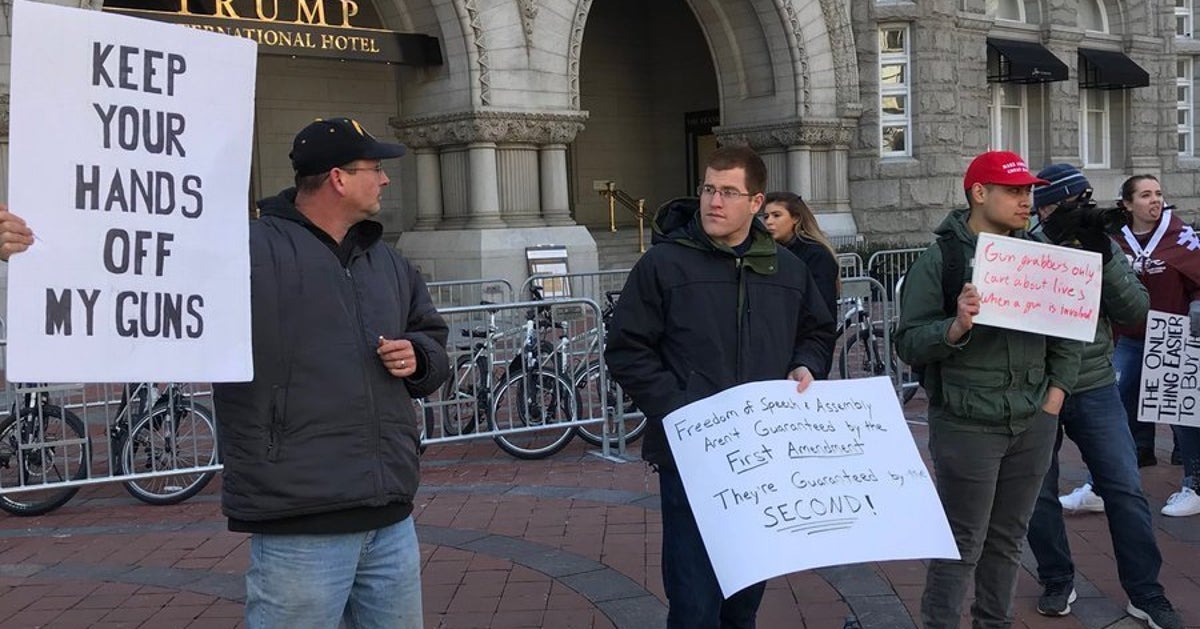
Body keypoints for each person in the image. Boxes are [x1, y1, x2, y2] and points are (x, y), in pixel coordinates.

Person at [0, 117, 452, 627]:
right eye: (375, 168)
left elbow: (431, 336)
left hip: (391, 519)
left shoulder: (387, 262)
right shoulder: (243, 251)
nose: (386, 179)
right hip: (300, 522)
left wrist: (419, 357)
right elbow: (130, 271)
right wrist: (31, 247)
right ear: (338, 179)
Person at [604, 145, 836, 629]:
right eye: (709, 188)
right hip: (692, 455)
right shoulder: (663, 264)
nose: (713, 201)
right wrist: (679, 408)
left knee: (744, 599)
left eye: (729, 192)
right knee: (694, 602)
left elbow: (816, 331)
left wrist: (805, 364)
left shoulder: (788, 269)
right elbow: (626, 348)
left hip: (762, 457)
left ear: (756, 203)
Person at [894, 150, 1081, 629]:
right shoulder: (942, 258)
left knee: (1008, 539)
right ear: (979, 193)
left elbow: (1068, 334)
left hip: (1032, 420)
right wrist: (955, 326)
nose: (1026, 201)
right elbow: (908, 342)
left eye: (1028, 191)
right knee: (961, 543)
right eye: (1014, 191)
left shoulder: (1040, 255)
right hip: (967, 423)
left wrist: (1054, 398)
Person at [1023, 164, 1182, 628]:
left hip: (1093, 383)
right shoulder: (1023, 247)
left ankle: (1146, 593)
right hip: (1036, 387)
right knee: (1036, 491)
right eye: (1068, 203)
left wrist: (1103, 257)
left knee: (1125, 487)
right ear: (1045, 209)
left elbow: (1135, 310)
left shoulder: (1103, 244)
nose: (1078, 210)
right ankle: (1056, 578)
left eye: (1083, 201)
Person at [1109, 174, 1200, 518]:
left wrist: (1197, 304)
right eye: (1145, 195)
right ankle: (1101, 483)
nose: (1155, 200)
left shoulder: (1180, 236)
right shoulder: (1115, 239)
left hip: (1171, 337)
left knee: (1181, 415)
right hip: (1129, 339)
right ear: (1127, 204)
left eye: (1158, 193)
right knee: (1109, 405)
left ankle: (1194, 484)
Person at [761, 191, 840, 318]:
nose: (769, 222)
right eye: (766, 217)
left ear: (795, 218)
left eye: (776, 215)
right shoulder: (769, 252)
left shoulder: (817, 255)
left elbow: (821, 306)